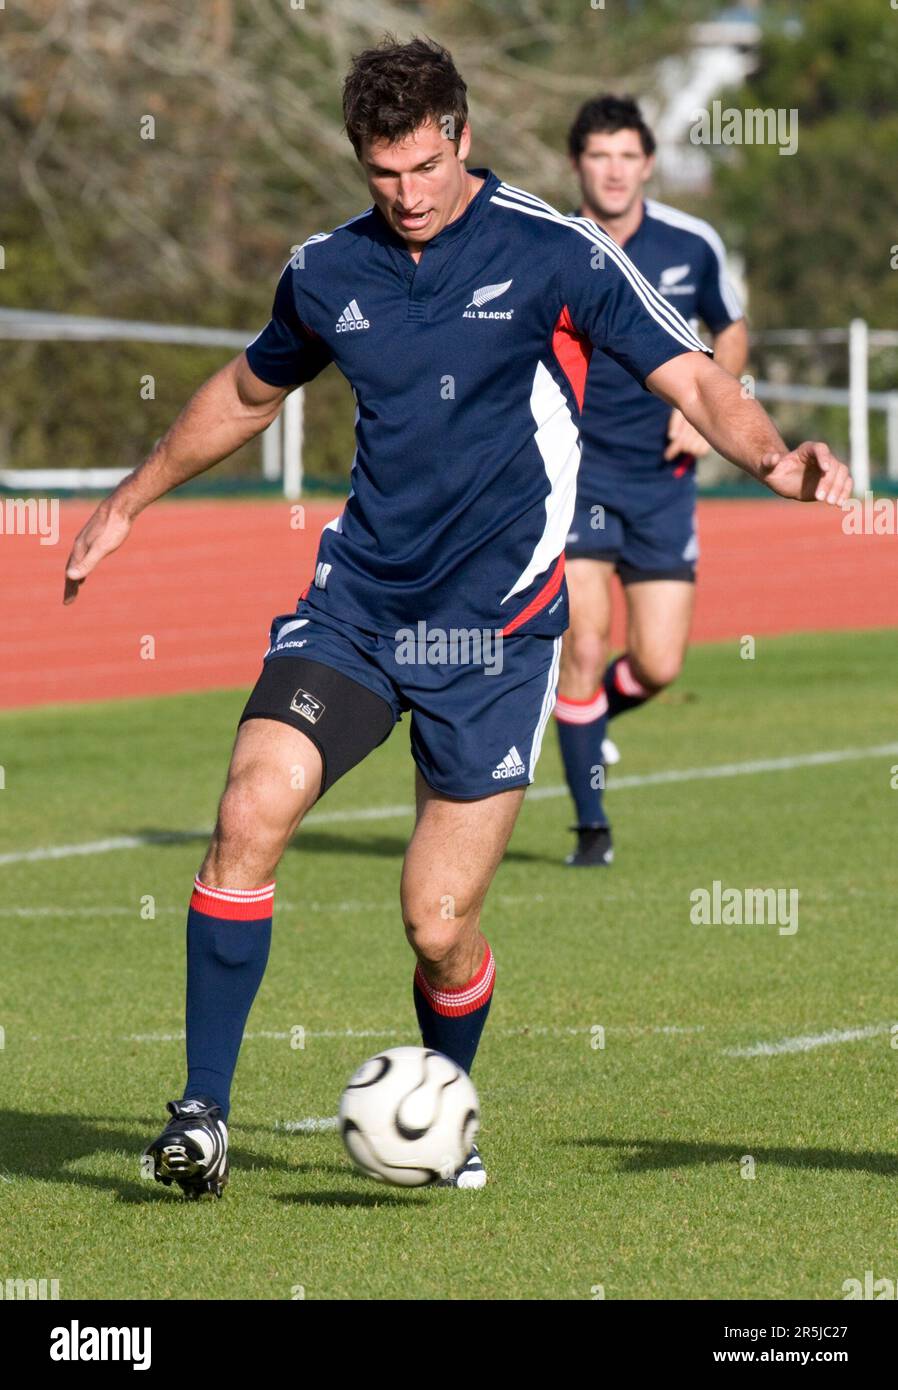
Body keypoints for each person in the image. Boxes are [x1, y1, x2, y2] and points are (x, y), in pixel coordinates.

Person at [63, 39, 851, 1198]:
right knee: (250, 805)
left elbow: (686, 373)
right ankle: (200, 1115)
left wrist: (774, 458)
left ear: (462, 138)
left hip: (496, 633)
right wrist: (131, 498)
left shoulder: (549, 249)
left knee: (437, 924)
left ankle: (442, 1102)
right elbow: (245, 389)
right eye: (385, 174)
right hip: (359, 609)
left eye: (427, 166)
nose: (410, 195)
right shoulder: (328, 270)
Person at [555, 95, 750, 867]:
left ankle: (587, 718)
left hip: (663, 480)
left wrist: (709, 399)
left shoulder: (691, 243)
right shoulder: (553, 243)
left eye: (626, 156)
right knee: (586, 639)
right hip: (578, 473)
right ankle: (591, 830)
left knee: (661, 663)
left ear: (648, 164)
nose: (613, 170)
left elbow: (729, 330)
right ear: (578, 165)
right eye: (598, 156)